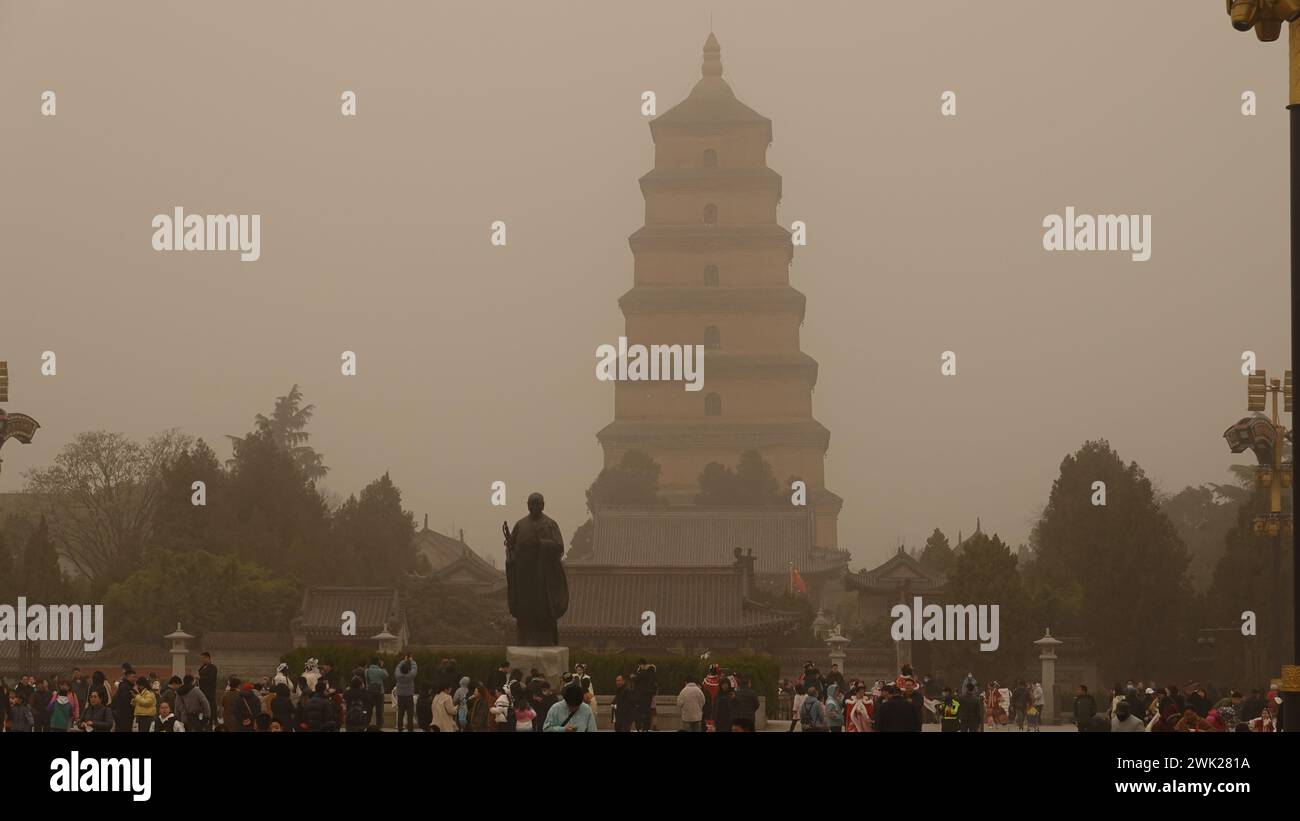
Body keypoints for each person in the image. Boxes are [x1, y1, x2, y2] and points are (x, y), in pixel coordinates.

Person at [394, 654, 418, 732]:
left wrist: (404, 661)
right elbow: (415, 668)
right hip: (409, 696)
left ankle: (400, 728)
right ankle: (410, 729)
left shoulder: (398, 675)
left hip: (400, 696)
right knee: (410, 715)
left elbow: (397, 667)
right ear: (408, 670)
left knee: (400, 714)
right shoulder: (410, 676)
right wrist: (411, 660)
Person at [365, 657, 388, 729]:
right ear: (378, 662)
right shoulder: (380, 671)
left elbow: (366, 679)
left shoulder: (367, 671)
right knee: (379, 711)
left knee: (368, 710)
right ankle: (379, 726)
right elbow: (386, 675)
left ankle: (366, 724)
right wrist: (382, 667)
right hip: (379, 693)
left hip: (369, 692)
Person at [197, 652, 218, 726]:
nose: (201, 660)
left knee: (209, 705)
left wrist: (201, 678)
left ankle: (211, 720)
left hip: (209, 691)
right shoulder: (202, 667)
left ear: (207, 658)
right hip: (202, 690)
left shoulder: (213, 667)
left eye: (203, 658)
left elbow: (210, 678)